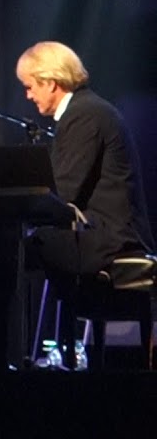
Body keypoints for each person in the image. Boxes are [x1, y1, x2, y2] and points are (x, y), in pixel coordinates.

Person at [18, 41, 153, 282]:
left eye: (29, 87)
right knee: (18, 245)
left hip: (110, 239)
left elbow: (64, 191)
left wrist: (17, 206)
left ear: (49, 83)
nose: (28, 95)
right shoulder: (85, 110)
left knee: (5, 250)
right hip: (102, 233)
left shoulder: (85, 114)